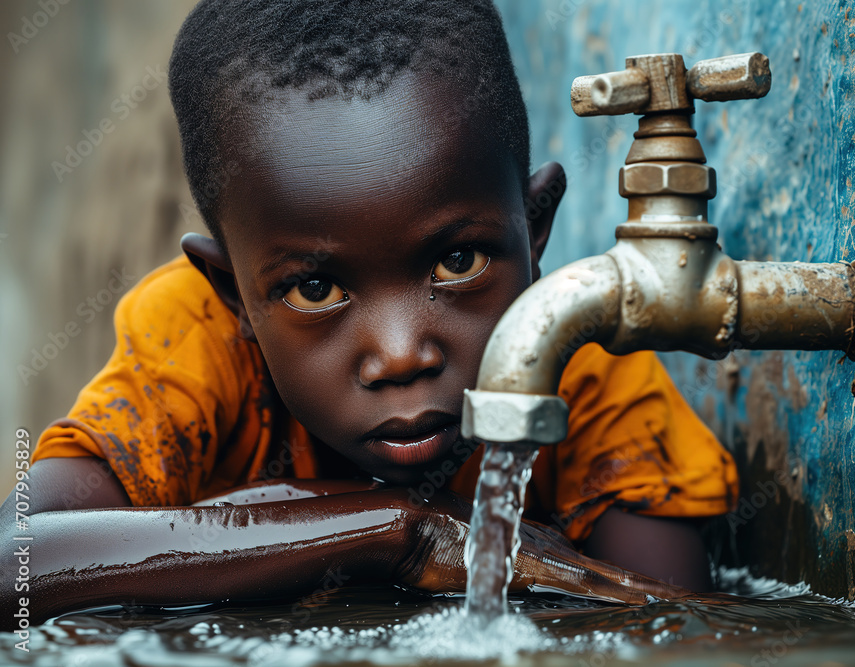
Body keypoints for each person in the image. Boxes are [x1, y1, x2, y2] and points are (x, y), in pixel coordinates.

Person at [1, 0, 738, 626]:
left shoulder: (582, 366)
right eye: (316, 289)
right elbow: (16, 561)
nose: (399, 353)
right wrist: (401, 529)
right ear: (235, 297)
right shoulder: (193, 341)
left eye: (458, 263)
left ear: (535, 227)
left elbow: (671, 625)